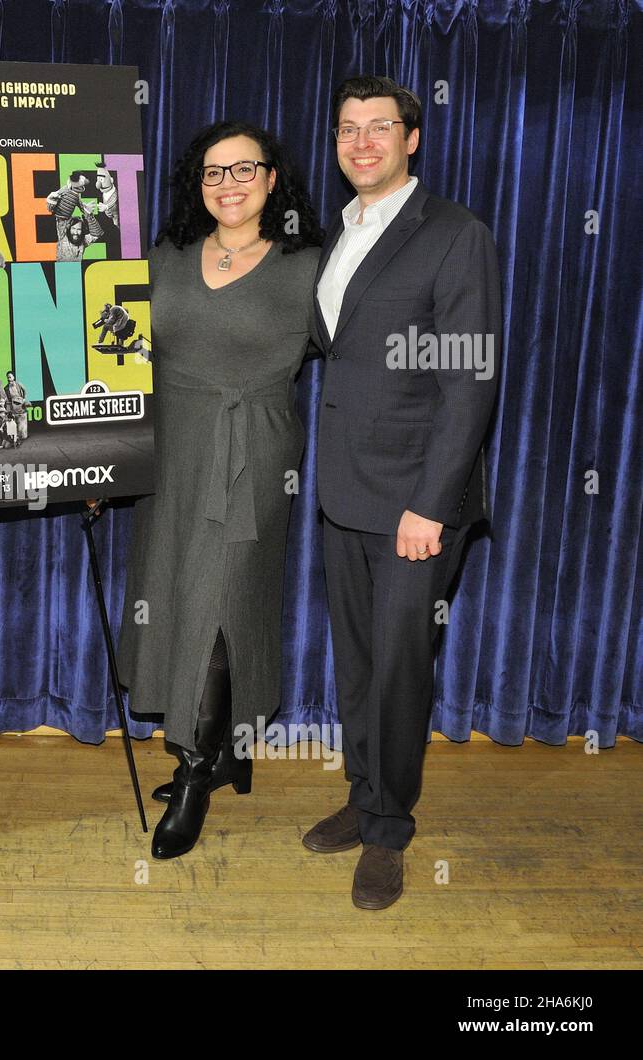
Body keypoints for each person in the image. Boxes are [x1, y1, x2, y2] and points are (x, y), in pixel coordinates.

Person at [304, 76, 500, 909]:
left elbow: (471, 382)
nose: (361, 143)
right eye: (347, 129)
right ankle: (364, 793)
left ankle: (389, 832)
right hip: (342, 488)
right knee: (357, 665)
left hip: (416, 504)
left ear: (411, 138)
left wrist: (432, 504)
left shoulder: (455, 234)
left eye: (379, 128)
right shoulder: (339, 232)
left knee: (398, 672)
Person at [116, 121, 325, 860]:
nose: (228, 185)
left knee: (219, 599)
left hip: (255, 452)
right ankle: (231, 748)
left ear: (273, 179)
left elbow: (361, 360)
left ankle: (197, 771)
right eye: (212, 173)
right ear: (195, 185)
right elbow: (119, 350)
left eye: (244, 170)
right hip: (170, 444)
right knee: (179, 595)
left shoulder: (310, 266)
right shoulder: (166, 255)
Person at [4, 371, 28, 445]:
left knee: (22, 425)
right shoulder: (6, 388)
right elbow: (8, 399)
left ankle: (21, 436)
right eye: (8, 377)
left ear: (13, 377)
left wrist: (24, 399)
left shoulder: (19, 384)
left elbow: (25, 391)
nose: (9, 379)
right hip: (13, 406)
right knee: (14, 422)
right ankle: (16, 438)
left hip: (21, 404)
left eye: (10, 377)